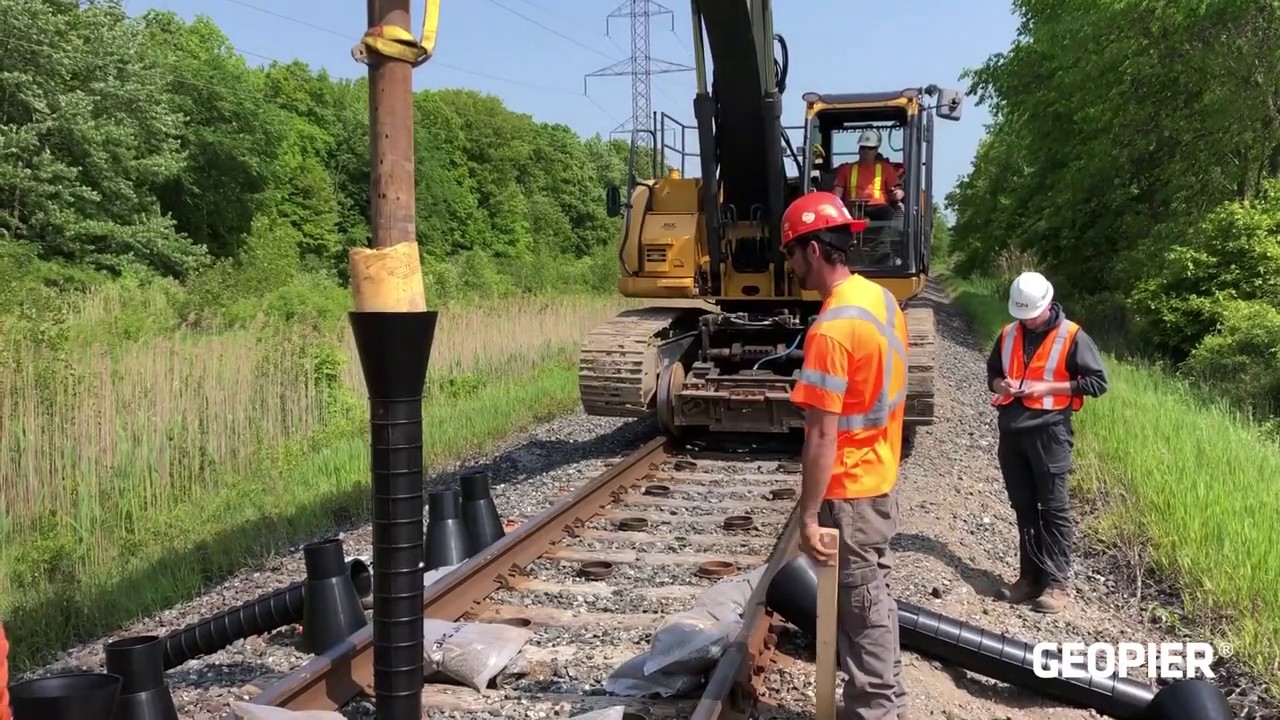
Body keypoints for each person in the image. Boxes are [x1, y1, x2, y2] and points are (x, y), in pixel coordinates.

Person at [783, 190, 909, 719]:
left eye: (791, 253)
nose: (789, 266)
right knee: (872, 600)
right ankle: (888, 702)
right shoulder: (879, 299)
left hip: (850, 490)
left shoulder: (832, 330)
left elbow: (820, 436)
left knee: (863, 610)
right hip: (877, 475)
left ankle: (877, 710)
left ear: (813, 250)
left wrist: (809, 514)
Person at [987, 270, 1108, 614]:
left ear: (1048, 304)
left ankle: (1056, 585)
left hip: (1050, 432)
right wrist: (1002, 387)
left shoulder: (1072, 336)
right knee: (1024, 508)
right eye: (1021, 315)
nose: (1026, 321)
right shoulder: (1009, 333)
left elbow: (1097, 383)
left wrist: (1048, 389)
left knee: (1053, 510)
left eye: (1032, 314)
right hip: (1012, 432)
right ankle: (1029, 579)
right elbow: (992, 374)